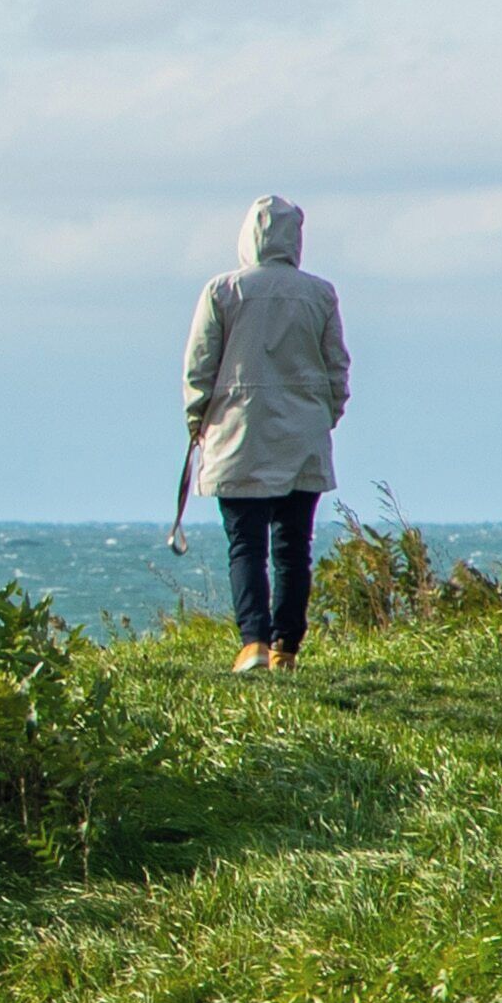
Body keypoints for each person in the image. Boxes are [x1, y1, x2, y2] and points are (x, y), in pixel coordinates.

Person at [182, 196, 349, 672]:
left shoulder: (222, 291)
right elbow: (337, 366)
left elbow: (200, 367)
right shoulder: (320, 294)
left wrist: (198, 422)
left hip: (238, 435)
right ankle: (286, 649)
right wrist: (326, 414)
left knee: (246, 544)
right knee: (294, 547)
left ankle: (252, 641)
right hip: (302, 436)